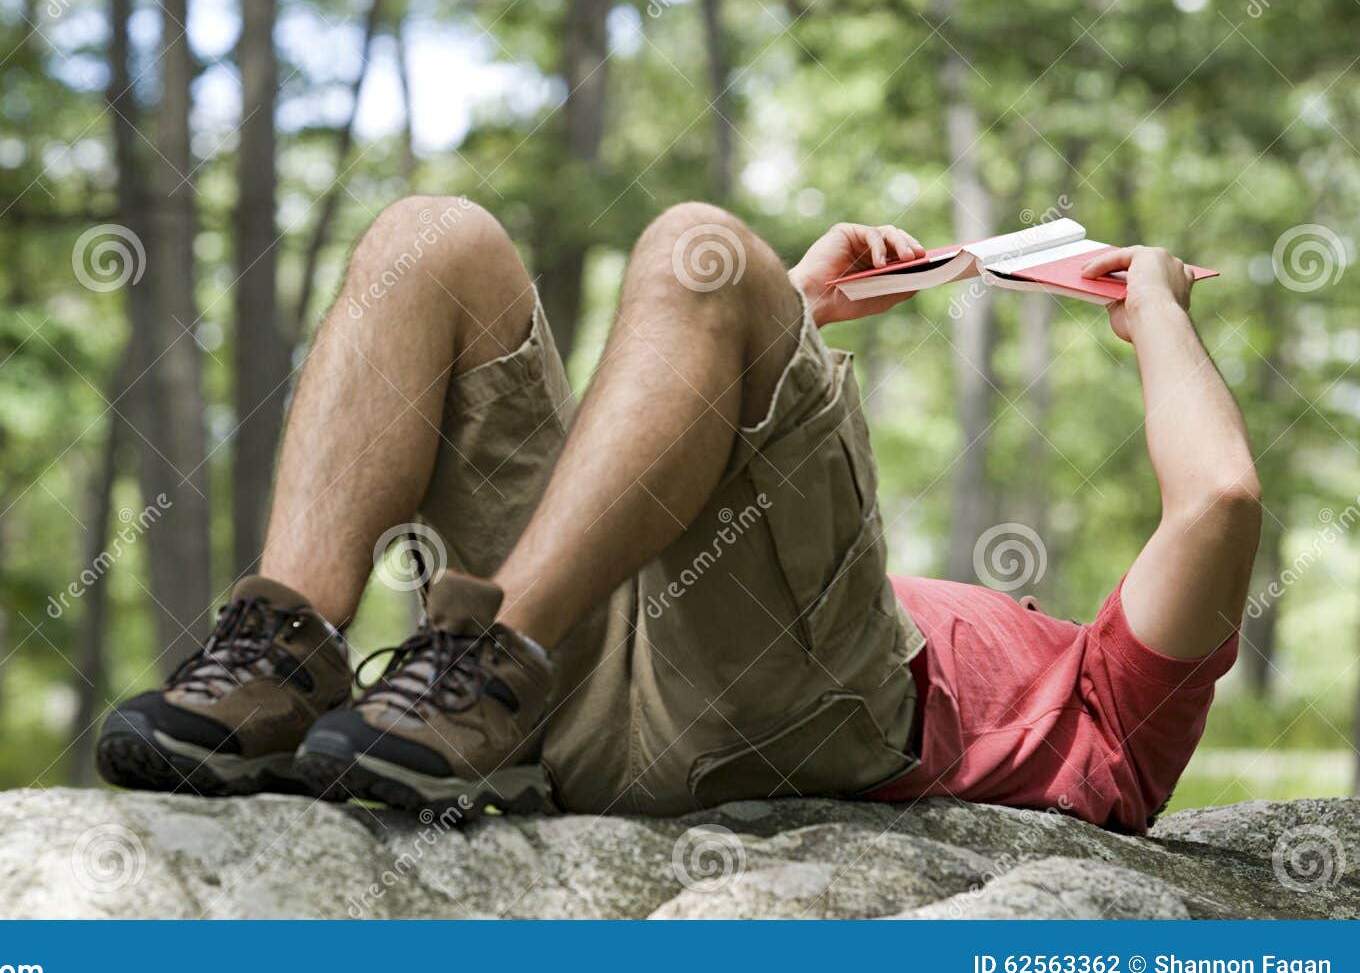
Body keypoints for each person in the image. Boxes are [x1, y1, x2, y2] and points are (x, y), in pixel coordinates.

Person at [96, 198, 1260, 832]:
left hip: (764, 720)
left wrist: (1152, 304)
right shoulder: (1023, 647)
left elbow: (1217, 497)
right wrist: (784, 313)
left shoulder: (1116, 712)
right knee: (431, 241)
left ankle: (493, 651)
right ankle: (283, 644)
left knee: (696, 243)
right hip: (580, 684)